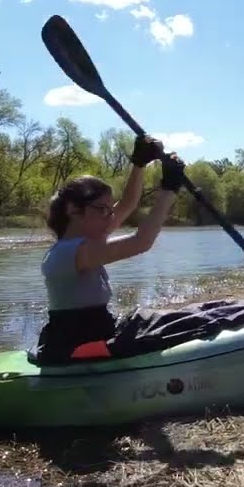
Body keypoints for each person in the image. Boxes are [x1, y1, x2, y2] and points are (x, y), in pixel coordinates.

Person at [34, 134, 187, 362]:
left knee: (182, 318)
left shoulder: (85, 240)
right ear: (73, 210)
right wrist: (168, 191)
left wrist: (139, 164)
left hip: (97, 332)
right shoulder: (71, 252)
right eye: (103, 209)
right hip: (78, 344)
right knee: (184, 327)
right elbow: (141, 242)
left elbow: (128, 204)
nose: (111, 215)